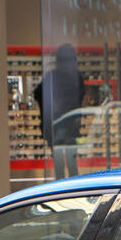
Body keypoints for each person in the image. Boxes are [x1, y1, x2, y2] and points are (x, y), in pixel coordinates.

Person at [34, 44, 84, 179]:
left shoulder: (54, 76)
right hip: (61, 126)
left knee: (64, 162)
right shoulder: (71, 78)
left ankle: (66, 188)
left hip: (61, 126)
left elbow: (37, 94)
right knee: (67, 161)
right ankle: (71, 187)